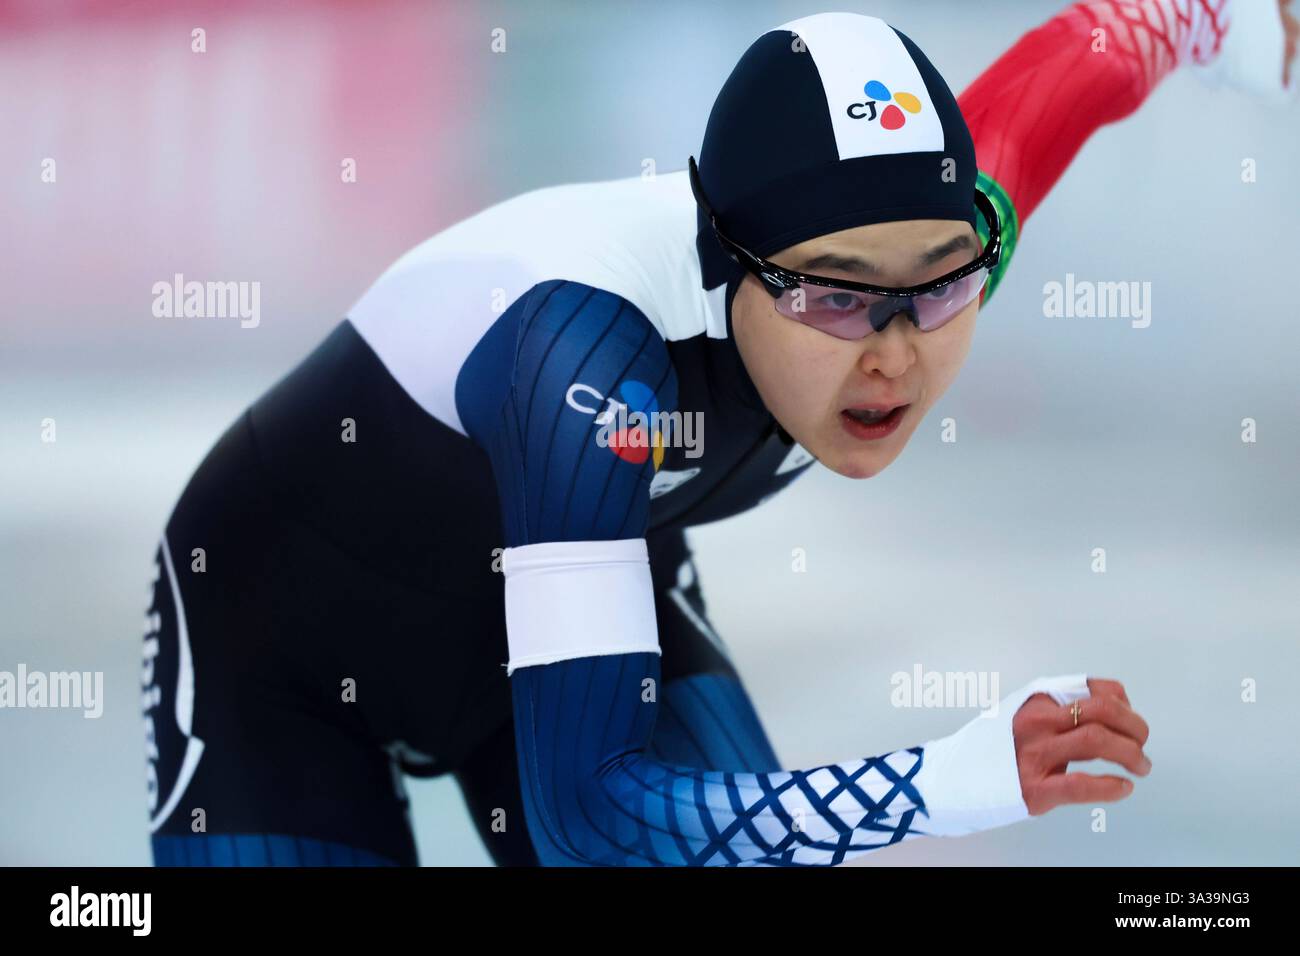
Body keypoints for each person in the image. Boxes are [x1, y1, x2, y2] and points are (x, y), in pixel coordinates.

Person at [142, 0, 1296, 866]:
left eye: (939, 292)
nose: (893, 350)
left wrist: (1222, 20)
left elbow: (1097, 53)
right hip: (279, 657)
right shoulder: (581, 359)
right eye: (835, 297)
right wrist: (946, 779)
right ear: (721, 265)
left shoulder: (941, 240)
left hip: (576, 570)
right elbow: (594, 811)